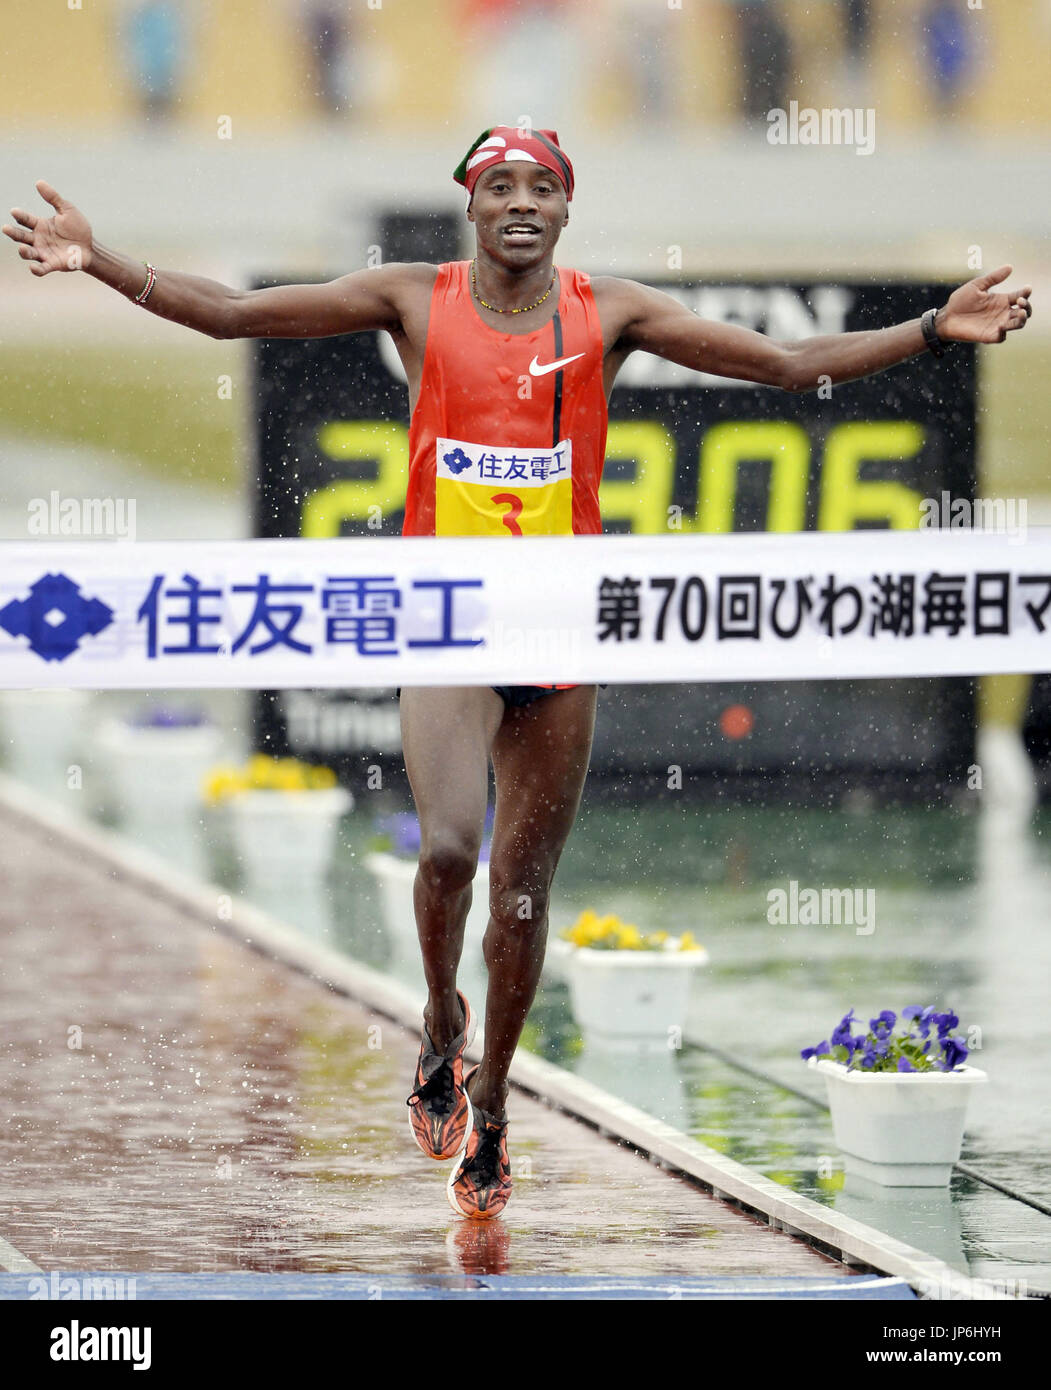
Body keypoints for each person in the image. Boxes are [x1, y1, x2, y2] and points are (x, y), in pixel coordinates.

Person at [4, 127, 1032, 1221]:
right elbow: (234, 315)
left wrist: (932, 330)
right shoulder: (412, 296)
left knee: (523, 893)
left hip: (560, 636)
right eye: (501, 186)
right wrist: (101, 259)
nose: (522, 201)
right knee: (449, 847)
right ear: (472, 210)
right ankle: (439, 1017)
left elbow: (780, 366)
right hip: (446, 627)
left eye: (543, 185)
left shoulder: (614, 312)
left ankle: (491, 1099)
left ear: (567, 211)